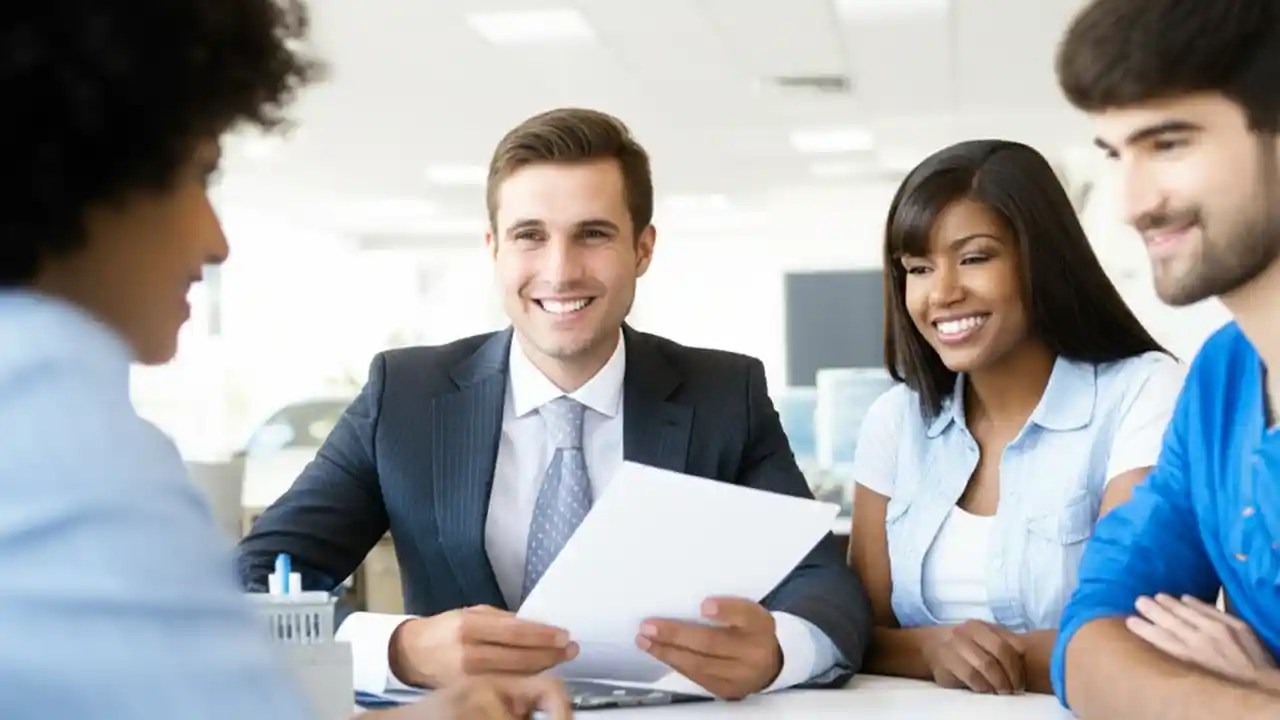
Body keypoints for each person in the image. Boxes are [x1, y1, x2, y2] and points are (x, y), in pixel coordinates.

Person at [0, 2, 569, 718]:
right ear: (91, 173)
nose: (217, 242)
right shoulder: (57, 422)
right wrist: (402, 651)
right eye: (199, 177)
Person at [236, 107, 873, 701]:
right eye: (530, 236)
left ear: (643, 249)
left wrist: (778, 651)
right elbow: (252, 579)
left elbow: (824, 585)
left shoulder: (722, 394)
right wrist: (402, 649)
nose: (560, 270)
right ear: (494, 248)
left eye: (592, 234)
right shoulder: (404, 396)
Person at [846, 139, 1183, 696]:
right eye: (919, 268)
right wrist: (933, 649)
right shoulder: (895, 421)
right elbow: (858, 631)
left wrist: (984, 656)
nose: (943, 293)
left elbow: (1134, 631)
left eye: (975, 257)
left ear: (1042, 259)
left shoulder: (1142, 392)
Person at [1050, 0, 1280, 717]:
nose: (1131, 203)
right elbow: (1088, 640)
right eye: (1117, 155)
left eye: (1170, 144)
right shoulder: (1220, 379)